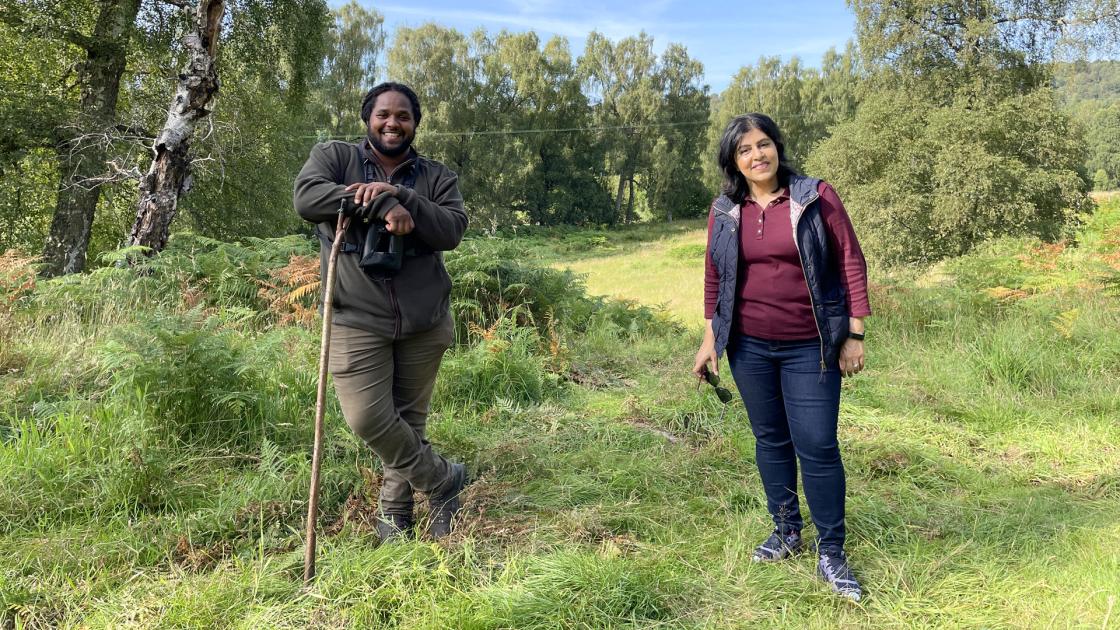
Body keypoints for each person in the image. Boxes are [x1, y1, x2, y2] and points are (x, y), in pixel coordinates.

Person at [692, 113, 871, 601]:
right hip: (748, 347)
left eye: (764, 144)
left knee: (817, 445)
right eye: (745, 149)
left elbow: (850, 260)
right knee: (770, 440)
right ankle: (788, 531)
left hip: (810, 347)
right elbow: (715, 276)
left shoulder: (814, 196)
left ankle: (831, 553)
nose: (757, 155)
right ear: (734, 161)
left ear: (777, 147)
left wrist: (854, 333)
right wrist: (711, 337)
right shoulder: (725, 209)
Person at [294, 82, 469, 542]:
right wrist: (379, 201)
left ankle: (393, 516)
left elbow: (451, 229)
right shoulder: (335, 157)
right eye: (384, 115)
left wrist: (407, 198)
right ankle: (443, 480)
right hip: (354, 316)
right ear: (367, 118)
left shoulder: (436, 176)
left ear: (415, 123)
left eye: (404, 116)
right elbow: (308, 198)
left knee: (408, 419)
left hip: (425, 320)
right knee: (368, 418)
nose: (393, 123)